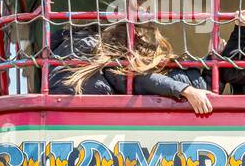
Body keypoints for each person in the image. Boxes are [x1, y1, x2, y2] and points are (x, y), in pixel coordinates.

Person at [48, 21, 214, 115]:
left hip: (66, 106)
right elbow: (134, 79)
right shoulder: (111, 63)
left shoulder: (89, 45)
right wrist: (186, 90)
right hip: (81, 108)